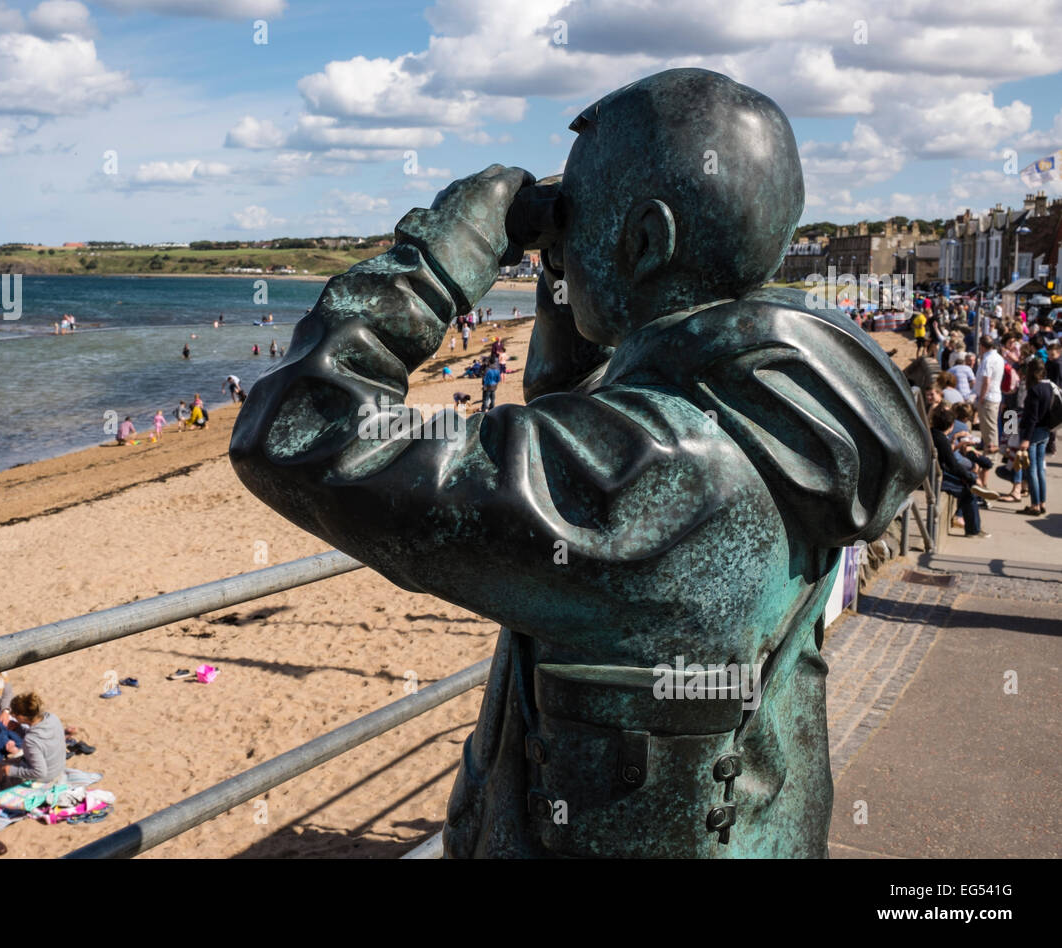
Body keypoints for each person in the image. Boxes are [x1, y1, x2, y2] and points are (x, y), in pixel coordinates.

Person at [229, 70, 930, 858]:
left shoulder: (659, 468)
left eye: (577, 219)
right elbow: (581, 416)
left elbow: (292, 432)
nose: (558, 240)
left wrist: (442, 256)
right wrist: (575, 280)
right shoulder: (780, 403)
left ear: (646, 241)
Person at [931, 406, 990, 537]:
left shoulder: (931, 434)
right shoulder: (941, 440)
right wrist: (970, 477)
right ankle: (973, 529)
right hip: (935, 478)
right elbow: (953, 465)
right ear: (952, 425)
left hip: (932, 474)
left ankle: (975, 497)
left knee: (967, 483)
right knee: (968, 491)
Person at [0, 692, 65, 786]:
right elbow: (41, 740)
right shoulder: (52, 718)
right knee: (0, 763)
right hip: (56, 769)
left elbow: (40, 772)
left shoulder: (31, 740)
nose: (11, 715)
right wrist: (18, 729)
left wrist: (11, 770)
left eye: (13, 714)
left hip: (42, 779)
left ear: (21, 717)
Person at [1016, 357, 1053, 516]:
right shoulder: (1049, 386)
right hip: (1045, 431)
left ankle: (1035, 505)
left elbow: (1032, 417)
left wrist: (1026, 439)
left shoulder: (1034, 390)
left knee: (1031, 470)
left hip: (1033, 432)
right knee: (1040, 470)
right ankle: (1042, 503)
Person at [973, 335, 1005, 469]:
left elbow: (987, 380)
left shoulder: (988, 359)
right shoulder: (998, 357)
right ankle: (989, 452)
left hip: (988, 397)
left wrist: (981, 397)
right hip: (993, 396)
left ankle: (991, 457)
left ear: (981, 346)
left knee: (989, 428)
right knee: (989, 427)